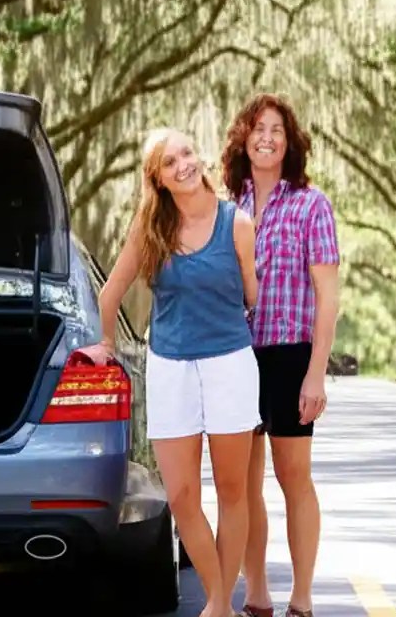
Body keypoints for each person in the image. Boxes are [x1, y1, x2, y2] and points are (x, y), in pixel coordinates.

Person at [85, 127, 260, 617]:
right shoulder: (150, 227)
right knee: (181, 496)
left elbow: (251, 295)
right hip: (170, 368)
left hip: (230, 364)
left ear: (197, 157)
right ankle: (220, 601)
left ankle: (219, 606)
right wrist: (105, 343)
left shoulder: (237, 224)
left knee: (232, 491)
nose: (182, 164)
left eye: (186, 152)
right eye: (168, 162)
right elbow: (109, 292)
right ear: (158, 179)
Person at [221, 94, 340, 617]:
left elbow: (328, 296)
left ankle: (302, 597)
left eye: (277, 130)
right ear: (242, 139)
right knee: (243, 488)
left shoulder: (312, 204)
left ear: (289, 143)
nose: (266, 137)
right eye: (257, 128)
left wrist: (316, 373)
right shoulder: (228, 207)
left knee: (294, 479)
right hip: (235, 357)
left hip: (291, 355)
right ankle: (258, 594)